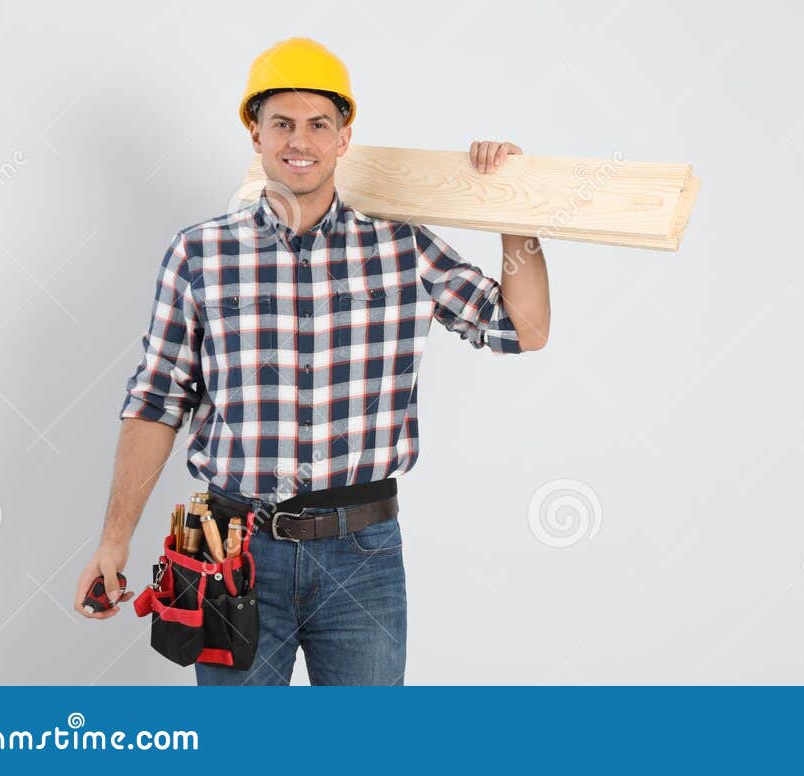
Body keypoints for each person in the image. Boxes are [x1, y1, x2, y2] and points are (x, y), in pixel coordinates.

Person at [71, 37, 551, 685]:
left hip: (363, 555)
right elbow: (156, 404)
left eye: (318, 124)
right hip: (231, 548)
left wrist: (514, 207)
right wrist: (113, 540)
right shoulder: (201, 256)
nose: (301, 140)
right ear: (256, 134)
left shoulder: (402, 248)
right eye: (282, 124)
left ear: (343, 137)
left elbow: (522, 327)